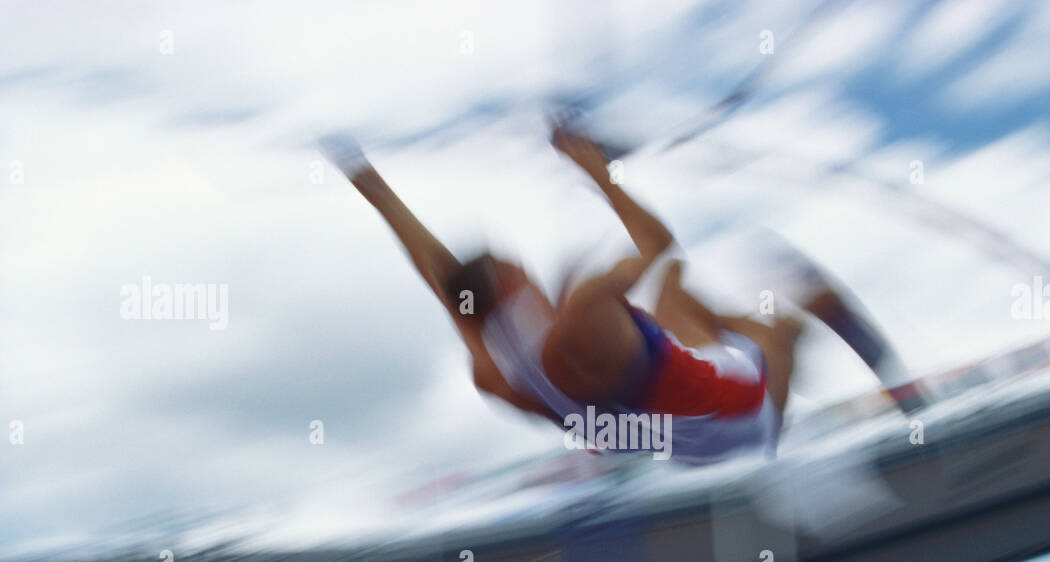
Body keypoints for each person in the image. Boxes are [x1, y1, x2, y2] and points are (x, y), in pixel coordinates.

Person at [321, 126, 922, 465]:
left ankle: (743, 319)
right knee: (767, 317)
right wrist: (592, 168)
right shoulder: (581, 311)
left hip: (688, 447)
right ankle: (870, 362)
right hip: (751, 409)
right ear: (508, 282)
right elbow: (658, 241)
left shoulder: (492, 368)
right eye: (514, 263)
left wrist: (366, 179)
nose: (522, 264)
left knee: (674, 302)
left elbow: (438, 275)